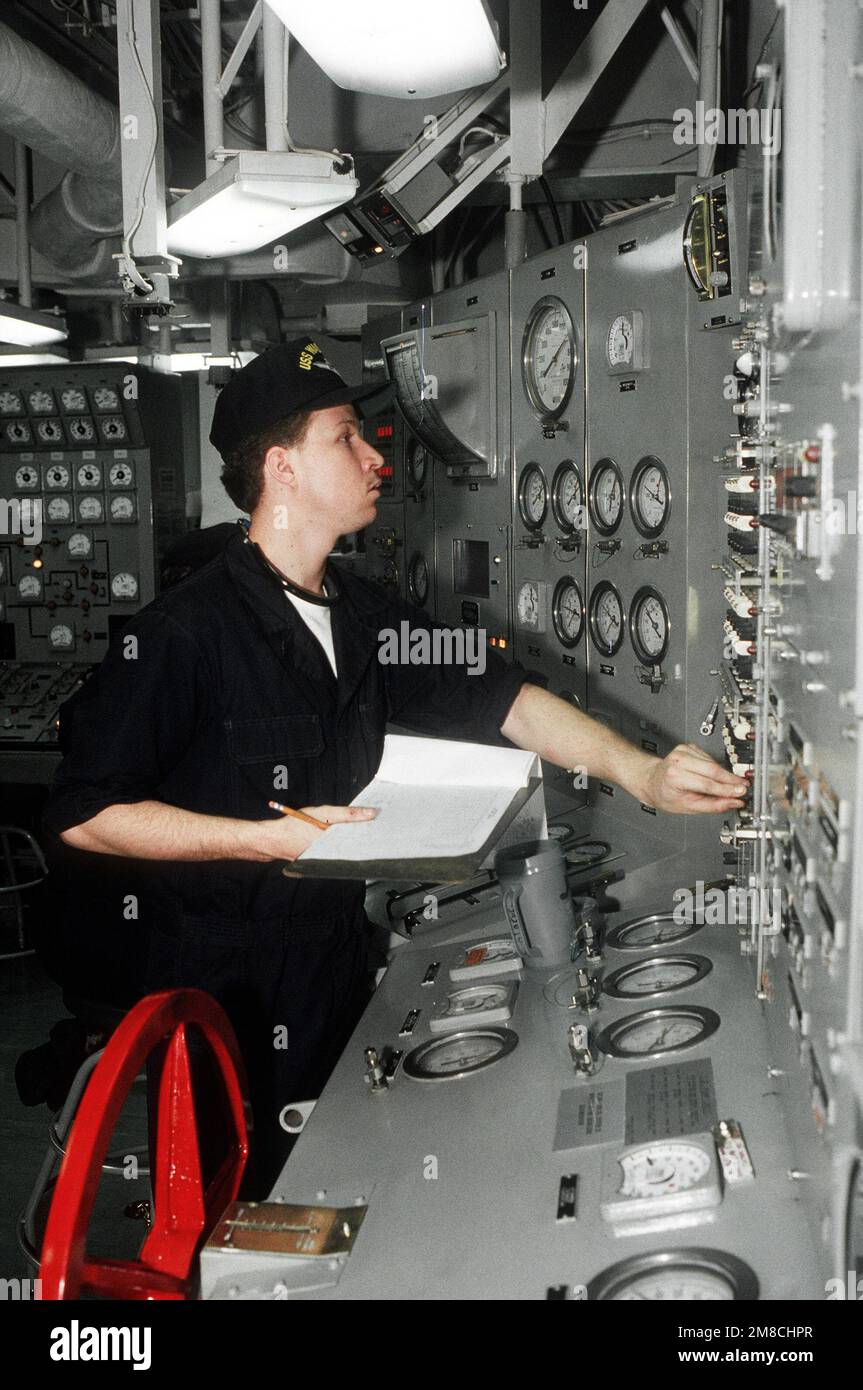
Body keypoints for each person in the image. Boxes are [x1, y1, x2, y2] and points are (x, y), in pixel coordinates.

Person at [44, 338, 748, 1195]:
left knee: (342, 1173)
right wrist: (262, 840)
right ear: (282, 468)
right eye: (346, 437)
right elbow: (85, 811)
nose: (376, 455)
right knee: (241, 1206)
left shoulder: (365, 611)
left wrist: (639, 774)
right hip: (226, 978)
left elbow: (504, 700)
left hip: (340, 953)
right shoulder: (185, 634)